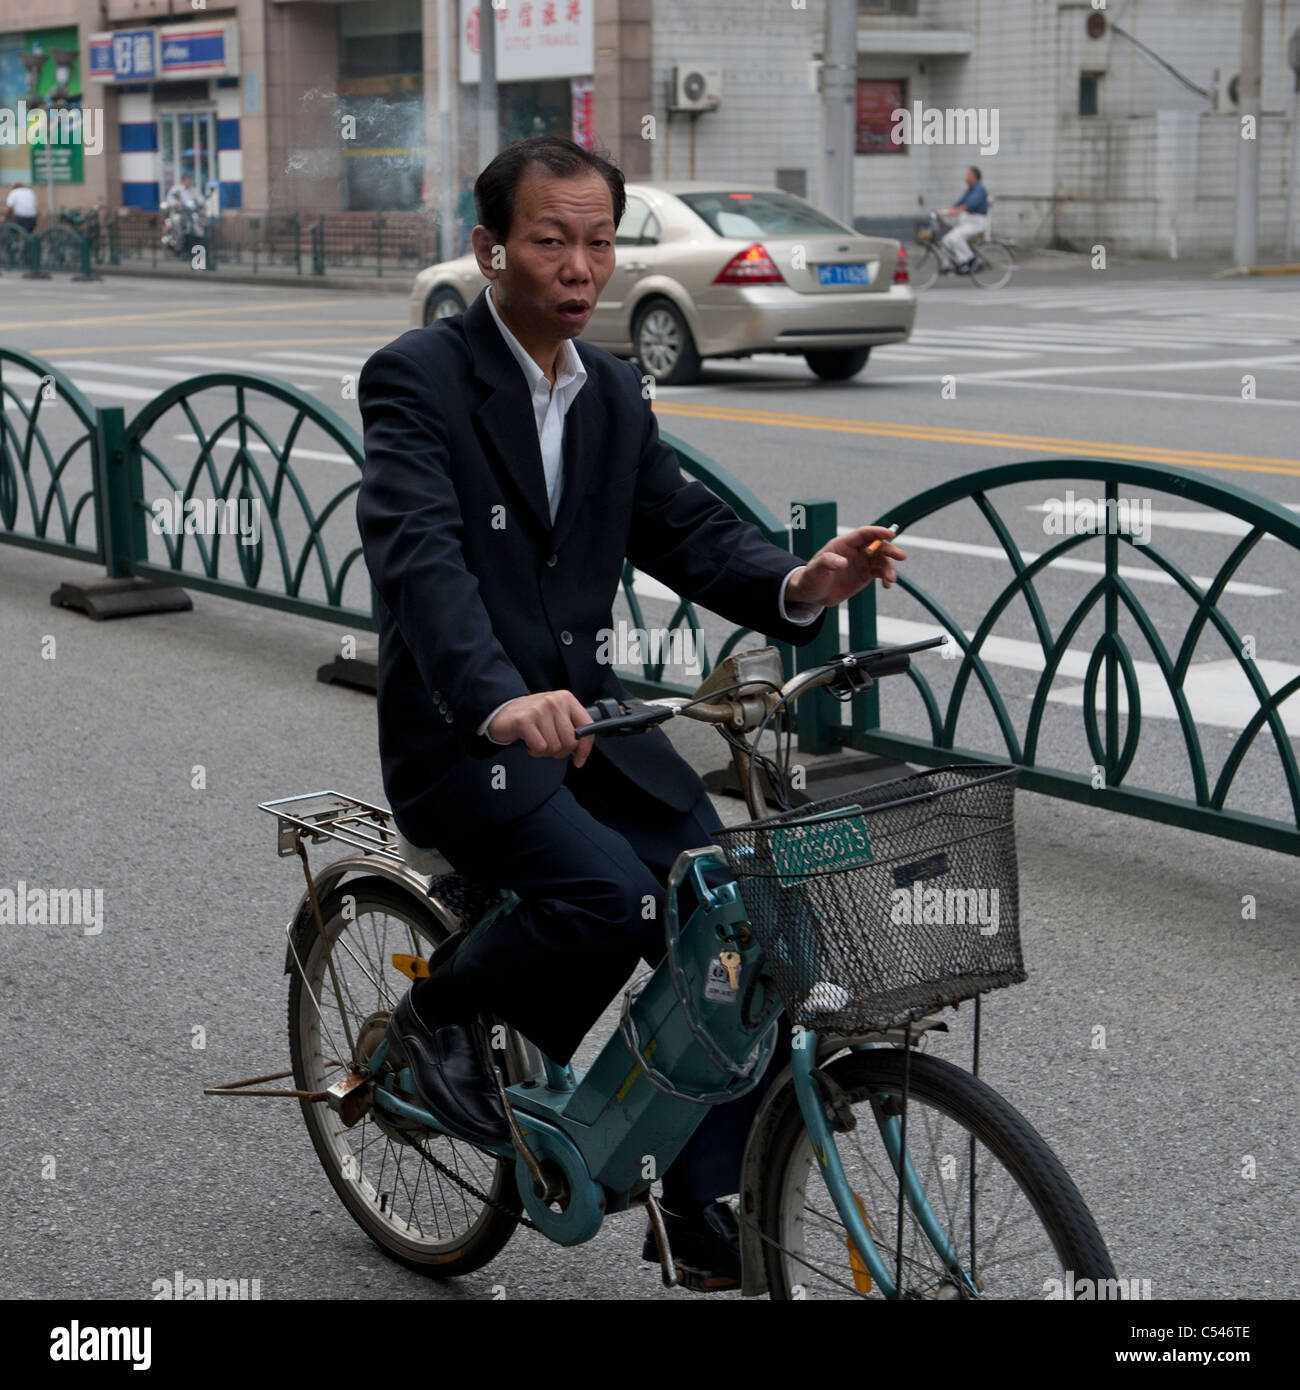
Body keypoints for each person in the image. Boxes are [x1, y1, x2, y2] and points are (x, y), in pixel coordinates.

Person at [355, 135, 906, 1291]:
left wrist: (801, 584)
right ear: (489, 247)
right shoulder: (418, 377)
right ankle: (436, 1018)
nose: (579, 264)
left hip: (594, 724)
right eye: (549, 239)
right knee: (607, 902)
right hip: (469, 737)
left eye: (599, 241)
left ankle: (696, 1190)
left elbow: (682, 528)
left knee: (740, 924)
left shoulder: (608, 387)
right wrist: (498, 699)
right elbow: (421, 561)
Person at [941, 165, 989, 274]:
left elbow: (967, 205)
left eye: (968, 175)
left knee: (956, 238)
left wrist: (953, 211)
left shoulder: (979, 190)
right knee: (946, 240)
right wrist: (944, 211)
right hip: (967, 223)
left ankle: (972, 260)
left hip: (976, 223)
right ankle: (951, 264)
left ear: (974, 177)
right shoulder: (970, 190)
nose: (965, 177)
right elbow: (958, 203)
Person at [454, 175, 475, 255]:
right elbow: (459, 208)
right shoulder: (462, 196)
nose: (472, 185)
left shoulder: (476, 195)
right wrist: (459, 218)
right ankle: (461, 256)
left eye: (473, 184)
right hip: (466, 223)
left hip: (475, 222)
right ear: (467, 185)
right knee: (463, 242)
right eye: (470, 184)